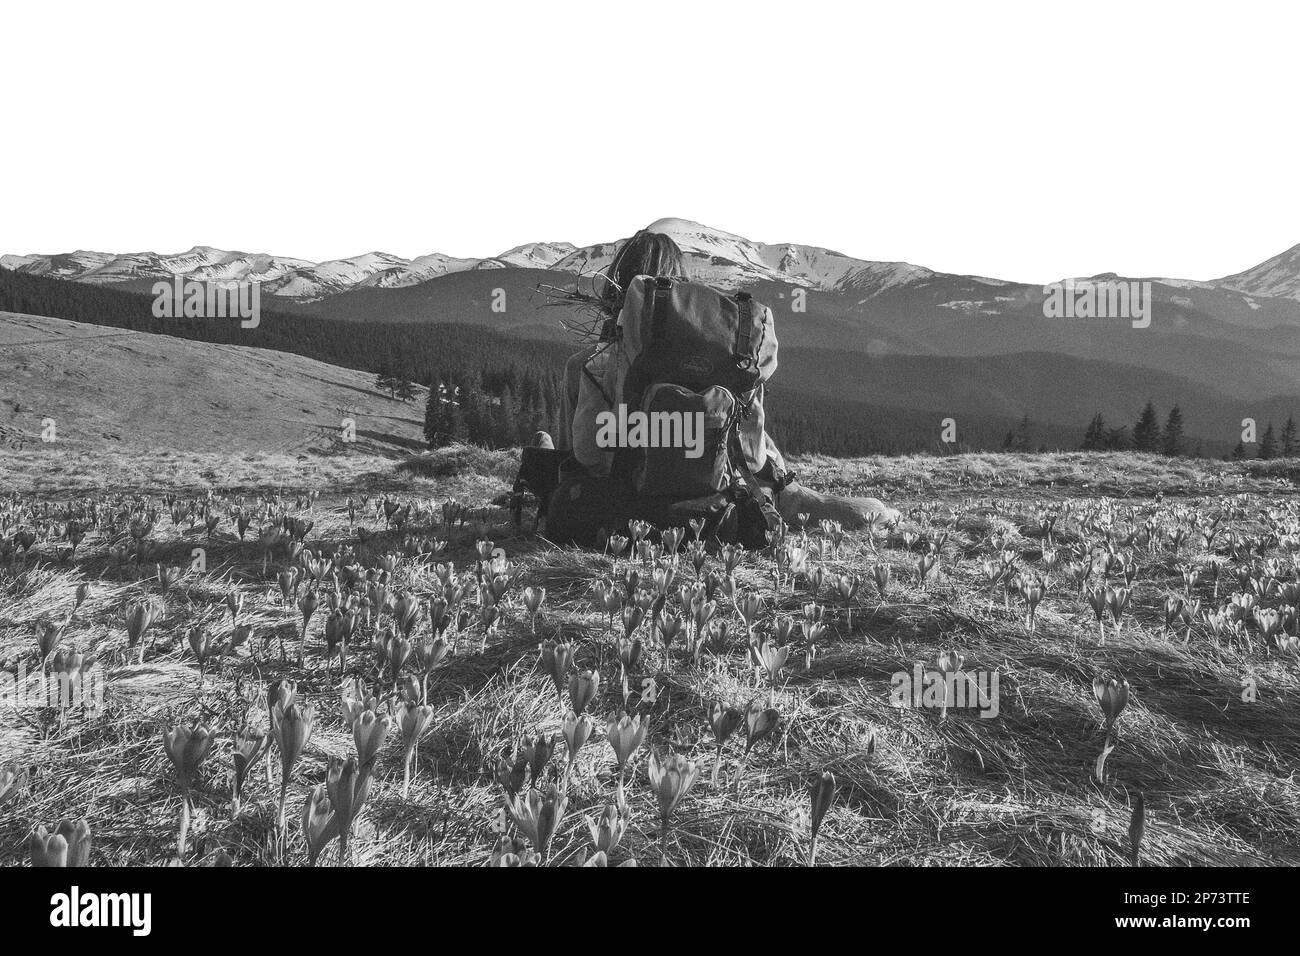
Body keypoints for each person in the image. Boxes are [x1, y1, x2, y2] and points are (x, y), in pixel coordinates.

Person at [527, 228, 899, 541]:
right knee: (822, 504)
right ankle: (878, 514)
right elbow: (752, 454)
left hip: (627, 503)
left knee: (552, 461)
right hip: (724, 500)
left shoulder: (587, 366)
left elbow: (584, 459)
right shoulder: (726, 354)